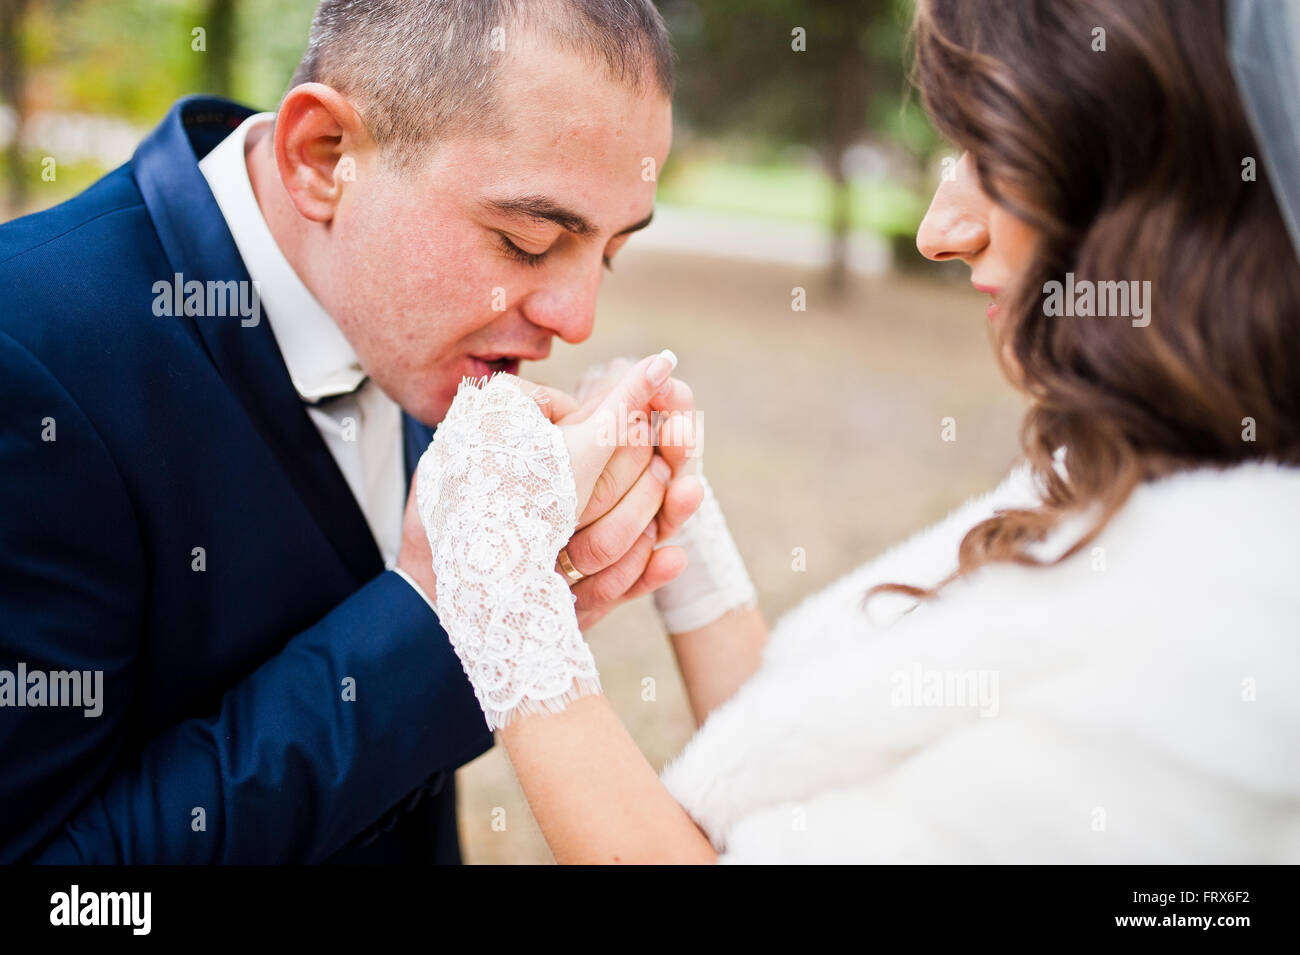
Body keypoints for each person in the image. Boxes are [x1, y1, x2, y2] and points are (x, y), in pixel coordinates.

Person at [416, 0, 1300, 863]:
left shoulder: (1218, 638)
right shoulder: (1118, 473)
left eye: (989, 150)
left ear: (1149, 178)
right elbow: (813, 763)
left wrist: (495, 575)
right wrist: (681, 521)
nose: (937, 229)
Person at [0, 0, 702, 863]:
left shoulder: (415, 330)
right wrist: (437, 614)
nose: (579, 318)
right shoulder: (27, 354)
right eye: (526, 240)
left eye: (610, 252)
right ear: (324, 157)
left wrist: (517, 605)